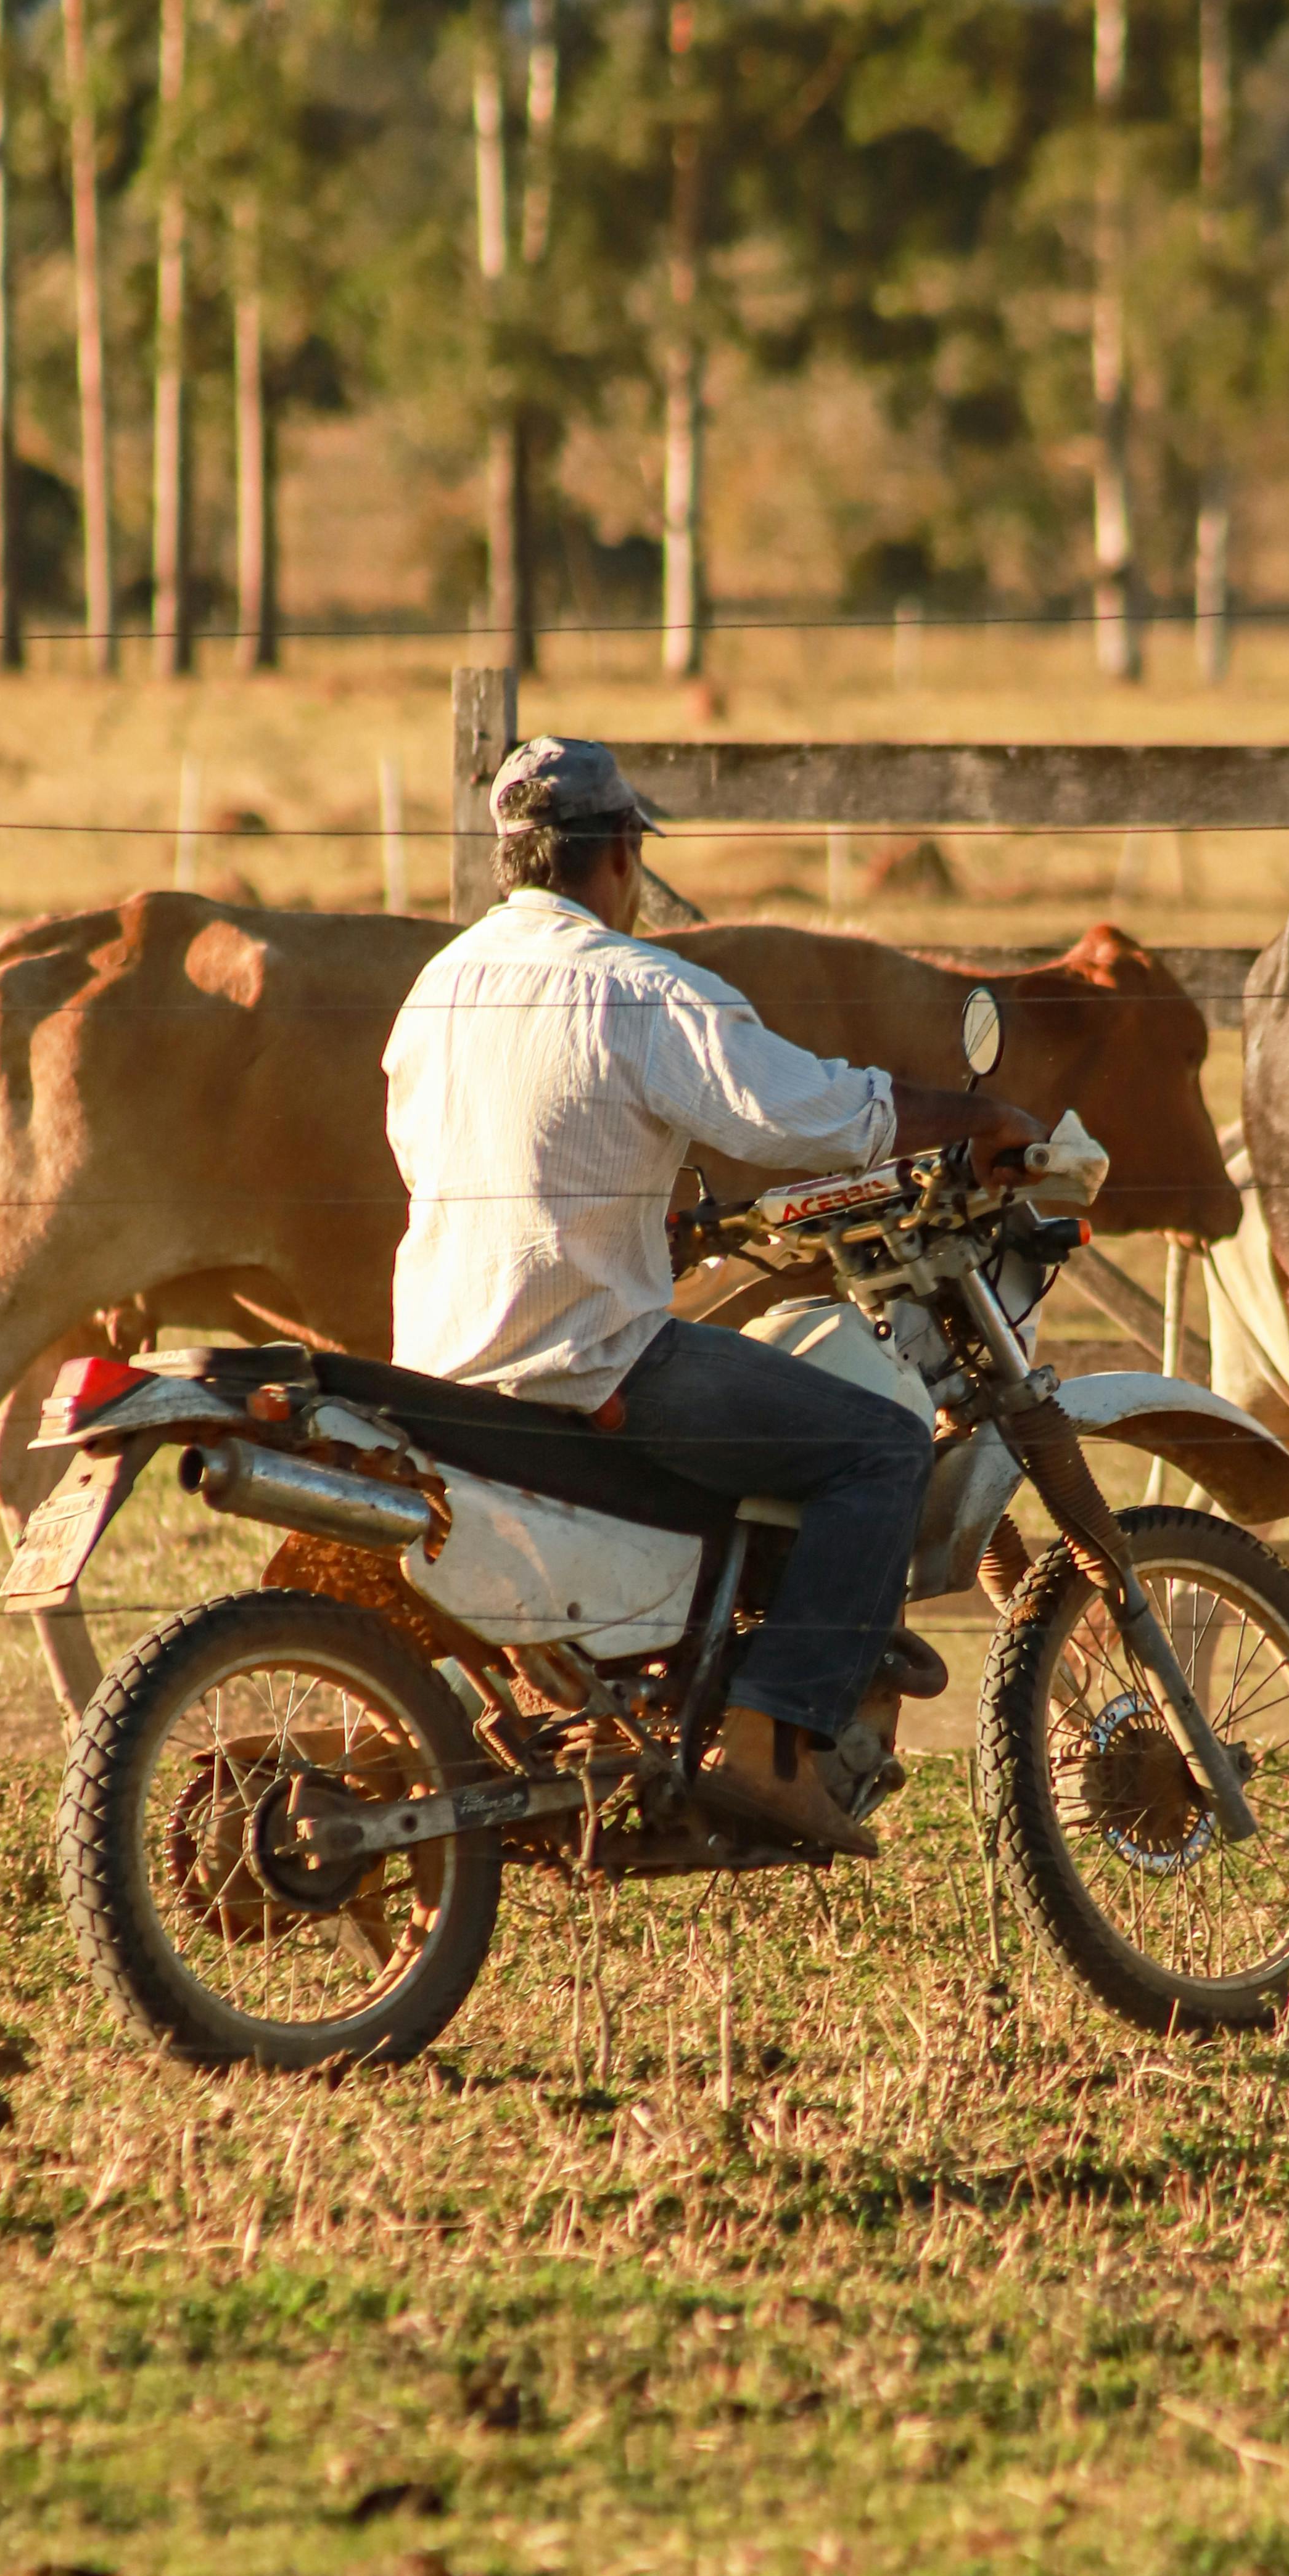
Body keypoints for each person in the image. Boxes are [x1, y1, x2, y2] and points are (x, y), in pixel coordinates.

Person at [382, 736, 1045, 1860]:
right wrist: (980, 1120)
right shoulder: (639, 988)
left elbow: (467, 1160)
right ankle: (768, 1746)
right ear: (622, 855)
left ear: (513, 858)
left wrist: (650, 1220)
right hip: (584, 1361)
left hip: (442, 1362)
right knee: (879, 1447)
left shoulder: (439, 990)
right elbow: (810, 1116)